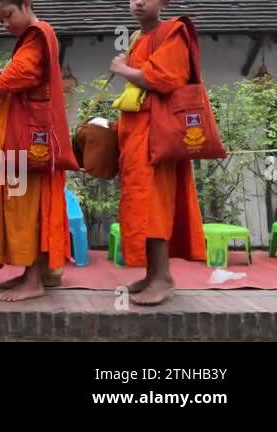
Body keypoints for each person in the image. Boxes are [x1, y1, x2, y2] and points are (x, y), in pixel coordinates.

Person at [109, 0, 206, 305]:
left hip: (158, 134)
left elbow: (162, 78)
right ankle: (152, 274)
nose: (137, 1)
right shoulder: (139, 37)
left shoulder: (172, 32)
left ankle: (164, 277)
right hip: (137, 132)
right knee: (139, 202)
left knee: (153, 204)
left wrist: (122, 68)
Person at [0, 0, 72, 302]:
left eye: (8, 15)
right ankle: (40, 273)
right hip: (30, 138)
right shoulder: (34, 39)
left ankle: (33, 281)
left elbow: (16, 76)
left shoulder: (38, 34)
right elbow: (14, 76)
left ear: (26, 4)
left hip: (29, 141)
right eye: (0, 20)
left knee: (26, 206)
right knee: (30, 203)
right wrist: (2, 77)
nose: (6, 24)